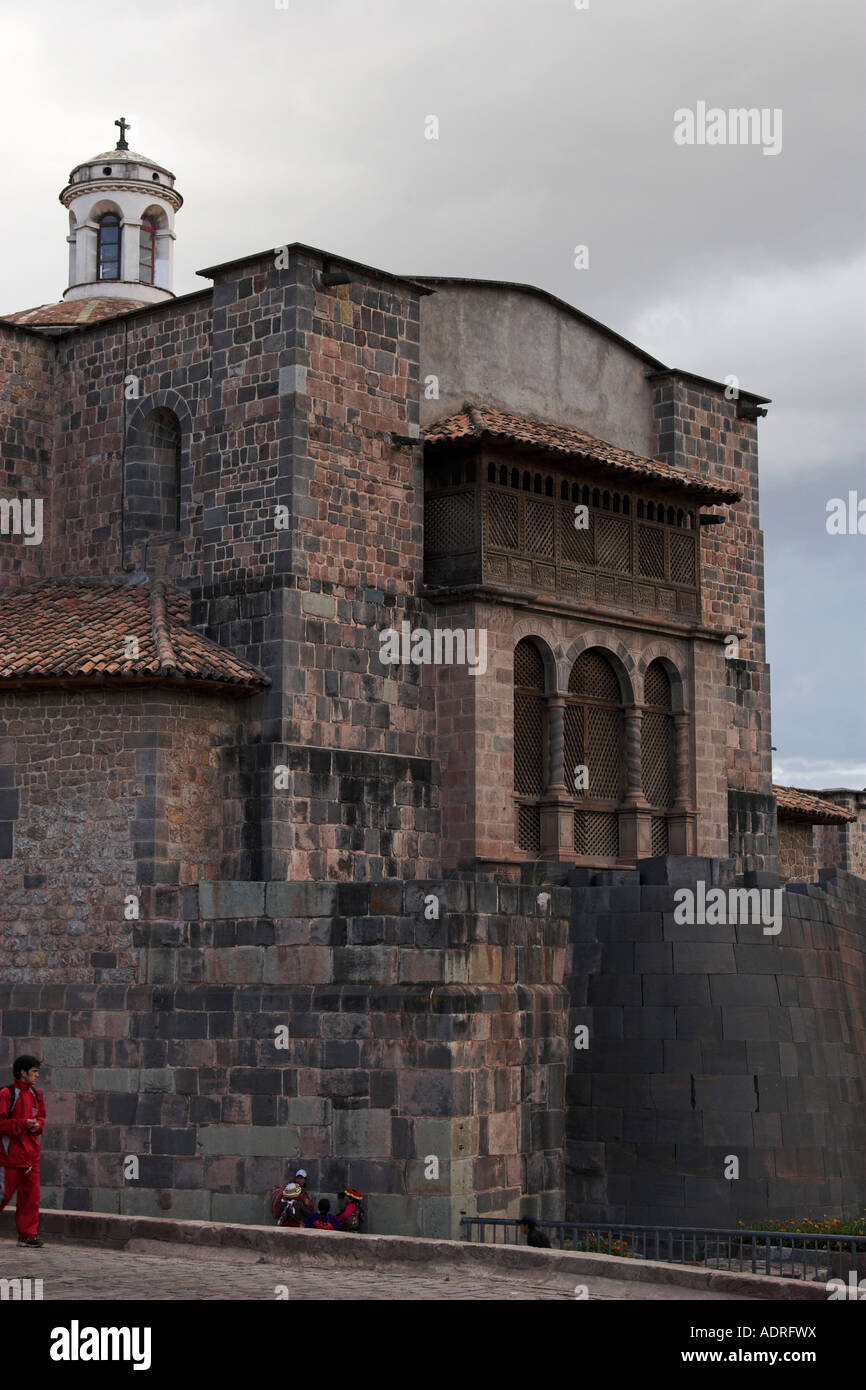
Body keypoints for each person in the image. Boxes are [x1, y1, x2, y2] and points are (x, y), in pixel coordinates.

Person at [0, 1056, 46, 1248]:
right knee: (2, 1195)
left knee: (31, 1198)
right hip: (10, 1157)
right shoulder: (6, 1094)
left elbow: (41, 1117)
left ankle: (27, 1235)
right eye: (34, 1071)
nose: (37, 1075)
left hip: (31, 1157)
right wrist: (22, 1124)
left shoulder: (36, 1094)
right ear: (23, 1072)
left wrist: (37, 1126)